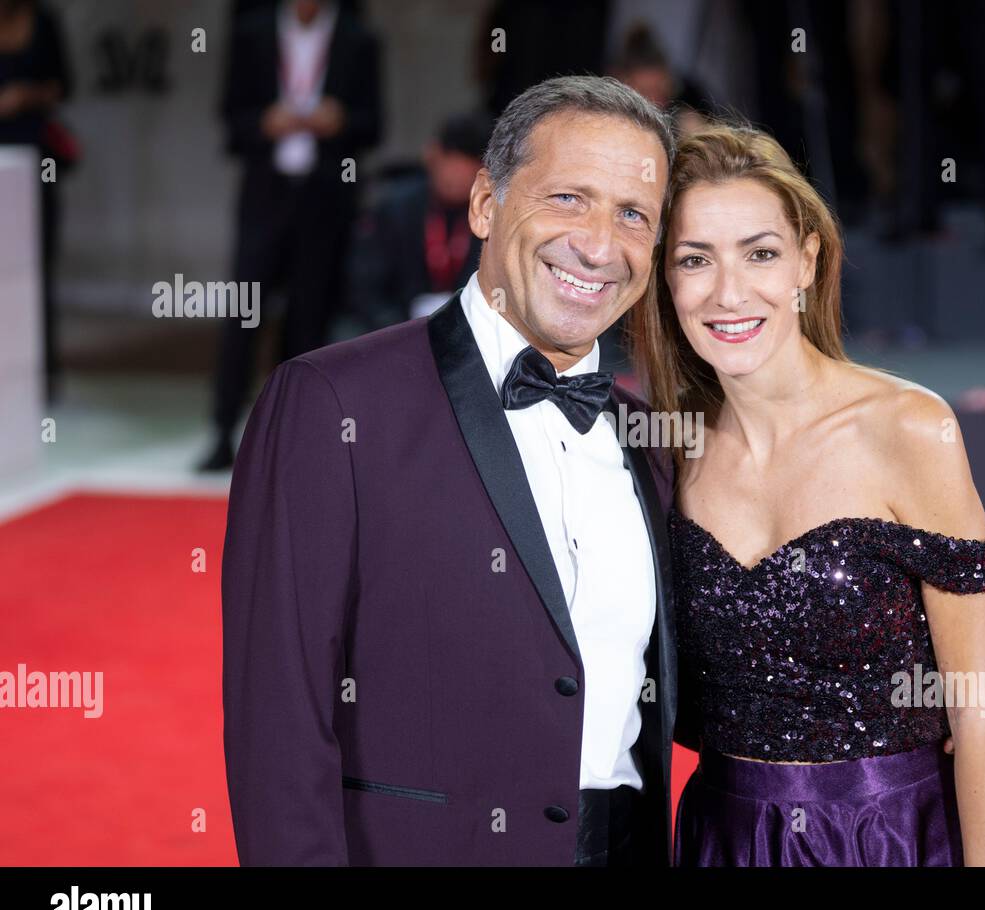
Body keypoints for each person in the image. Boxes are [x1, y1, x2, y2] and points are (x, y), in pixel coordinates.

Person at [222, 76, 678, 866]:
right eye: (569, 198)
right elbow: (278, 723)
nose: (601, 245)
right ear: (484, 205)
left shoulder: (651, 440)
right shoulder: (330, 405)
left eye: (633, 214)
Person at [629, 123, 985, 866]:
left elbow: (980, 715)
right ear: (664, 277)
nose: (729, 292)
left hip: (887, 840)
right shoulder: (665, 450)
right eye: (694, 260)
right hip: (721, 842)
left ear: (807, 261)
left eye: (761, 253)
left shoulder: (909, 428)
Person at [199, 0, 382, 472]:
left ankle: (298, 434)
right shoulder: (252, 32)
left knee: (310, 317)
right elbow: (230, 120)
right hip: (265, 196)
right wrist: (264, 122)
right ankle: (222, 431)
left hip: (324, 199)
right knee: (243, 310)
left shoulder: (358, 38)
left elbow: (374, 123)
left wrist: (340, 121)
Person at [347, 110, 493, 330]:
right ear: (432, 155)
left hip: (468, 328)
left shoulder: (493, 215)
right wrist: (403, 330)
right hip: (395, 330)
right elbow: (364, 287)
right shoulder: (394, 208)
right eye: (450, 164)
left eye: (466, 168)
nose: (456, 176)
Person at [0, 0, 72, 405]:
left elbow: (63, 85)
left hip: (33, 162)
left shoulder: (42, 22)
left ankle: (40, 374)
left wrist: (25, 95)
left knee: (35, 270)